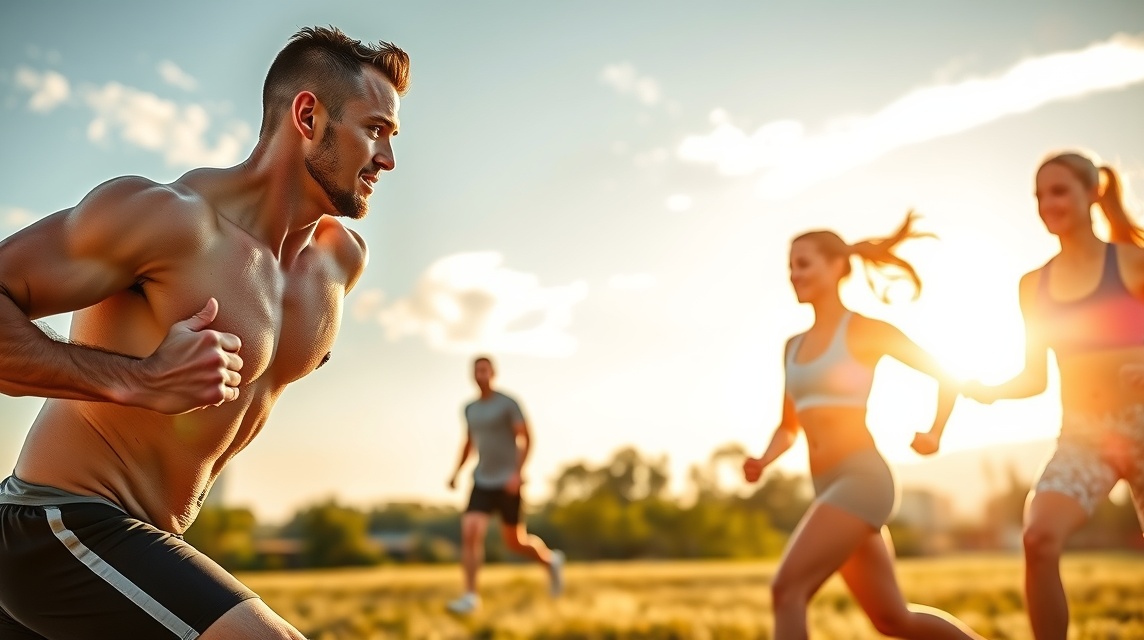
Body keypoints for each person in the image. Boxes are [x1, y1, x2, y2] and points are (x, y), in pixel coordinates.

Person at [0, 26, 409, 639]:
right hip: (59, 526)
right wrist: (139, 380)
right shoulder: (170, 222)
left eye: (393, 136)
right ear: (307, 115)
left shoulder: (339, 263)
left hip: (148, 545)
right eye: (374, 130)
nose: (388, 158)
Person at [741, 212, 984, 640]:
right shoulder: (792, 347)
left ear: (837, 267)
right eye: (790, 266)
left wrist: (935, 431)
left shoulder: (864, 331)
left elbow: (946, 373)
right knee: (893, 620)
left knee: (787, 589)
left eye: (803, 264)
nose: (793, 275)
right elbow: (789, 427)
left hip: (862, 481)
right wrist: (763, 459)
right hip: (827, 485)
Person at [962, 151, 1144, 640]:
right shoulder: (1033, 286)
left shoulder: (1131, 263)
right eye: (1039, 196)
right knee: (1038, 537)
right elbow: (1034, 377)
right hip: (1084, 436)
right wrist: (990, 391)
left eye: (1059, 191)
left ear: (1092, 194)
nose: (1047, 204)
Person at [446, 356, 564, 614]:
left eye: (485, 370)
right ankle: (470, 597)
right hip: (482, 480)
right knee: (471, 532)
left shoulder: (508, 403)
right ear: (472, 375)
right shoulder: (469, 409)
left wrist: (518, 473)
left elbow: (526, 438)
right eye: (477, 370)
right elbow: (469, 442)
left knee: (514, 541)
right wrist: (456, 472)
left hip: (508, 481)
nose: (481, 374)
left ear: (493, 373)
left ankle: (551, 561)